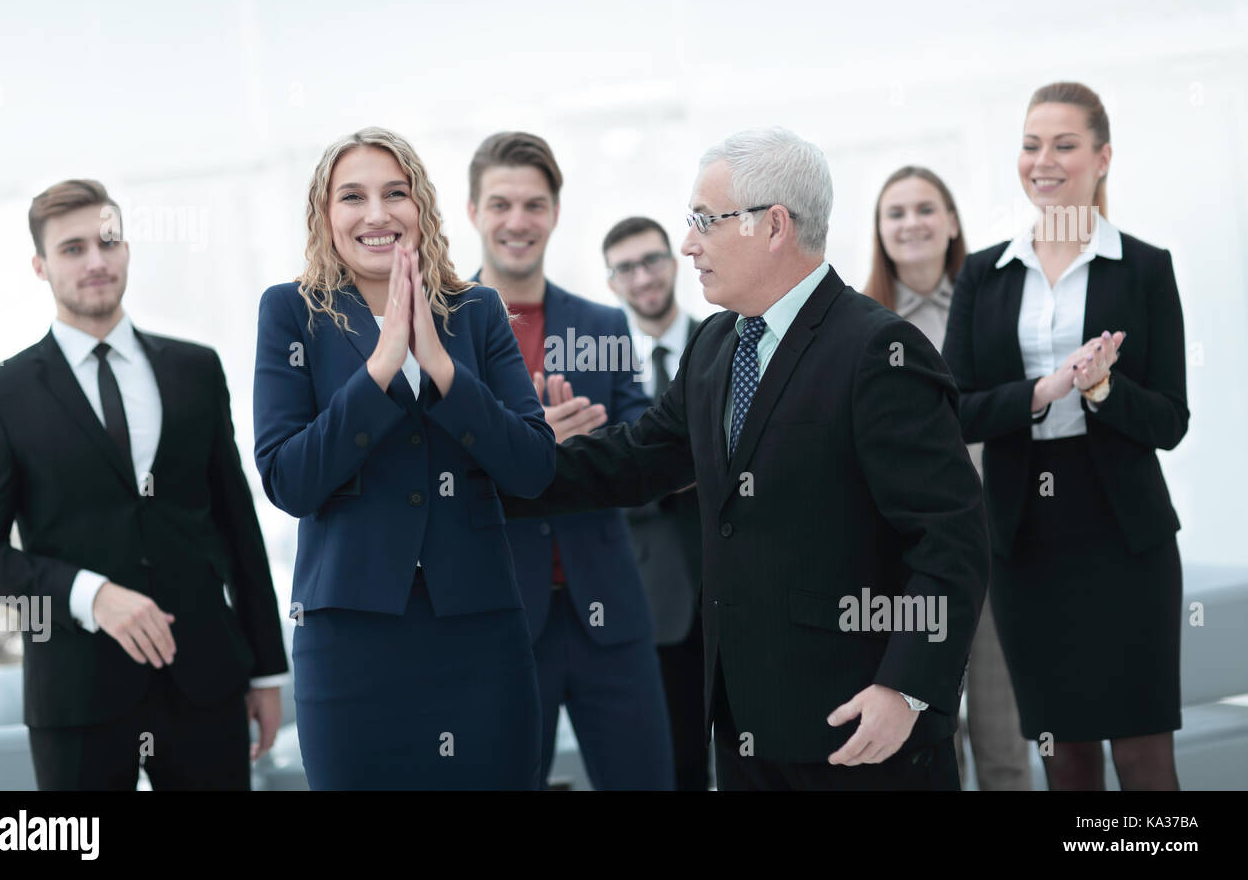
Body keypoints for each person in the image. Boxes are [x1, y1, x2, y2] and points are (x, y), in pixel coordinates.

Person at [504, 126, 989, 790]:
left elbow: (951, 541)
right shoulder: (716, 345)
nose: (688, 244)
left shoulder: (878, 353)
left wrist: (904, 690)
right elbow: (635, 458)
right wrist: (504, 466)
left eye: (705, 220)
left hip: (861, 732)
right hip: (743, 727)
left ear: (774, 225)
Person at [0, 178, 288, 789]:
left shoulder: (195, 368)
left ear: (128, 248)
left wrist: (266, 671)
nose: (97, 261)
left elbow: (237, 524)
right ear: (40, 266)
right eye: (73, 248)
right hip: (76, 697)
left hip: (205, 683)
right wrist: (89, 594)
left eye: (109, 242)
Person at [253, 127, 554, 789]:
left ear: (422, 206)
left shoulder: (476, 311)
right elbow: (288, 479)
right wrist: (384, 365)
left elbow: (533, 468)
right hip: (349, 640)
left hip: (480, 636)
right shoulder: (290, 313)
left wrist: (442, 369)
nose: (377, 213)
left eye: (396, 193)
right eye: (352, 196)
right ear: (324, 215)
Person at [943, 82, 1188, 791]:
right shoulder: (984, 276)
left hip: (1126, 534)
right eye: (1030, 143)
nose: (1043, 160)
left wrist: (1103, 390)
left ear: (1102, 157)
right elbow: (954, 410)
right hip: (1026, 537)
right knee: (1064, 756)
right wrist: (1043, 393)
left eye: (1064, 144)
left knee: (1143, 757)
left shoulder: (1144, 268)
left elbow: (1171, 419)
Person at [467, 132, 674, 790]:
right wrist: (524, 446)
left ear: (556, 212)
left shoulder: (600, 325)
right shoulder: (441, 332)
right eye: (500, 204)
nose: (518, 222)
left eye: (534, 204)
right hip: (497, 619)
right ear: (473, 212)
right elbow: (428, 475)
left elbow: (650, 444)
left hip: (608, 610)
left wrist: (582, 447)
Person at [863, 167, 1030, 791]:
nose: (912, 224)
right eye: (896, 212)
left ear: (952, 222)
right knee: (929, 732)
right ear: (880, 231)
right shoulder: (861, 321)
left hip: (992, 543)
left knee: (1003, 734)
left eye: (925, 209)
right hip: (906, 556)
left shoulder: (989, 306)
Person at [603, 215, 709, 791]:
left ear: (673, 263)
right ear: (613, 283)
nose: (643, 277)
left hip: (737, 582)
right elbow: (601, 471)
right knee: (678, 761)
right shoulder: (603, 365)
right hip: (652, 594)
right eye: (627, 268)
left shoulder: (726, 341)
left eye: (652, 260)